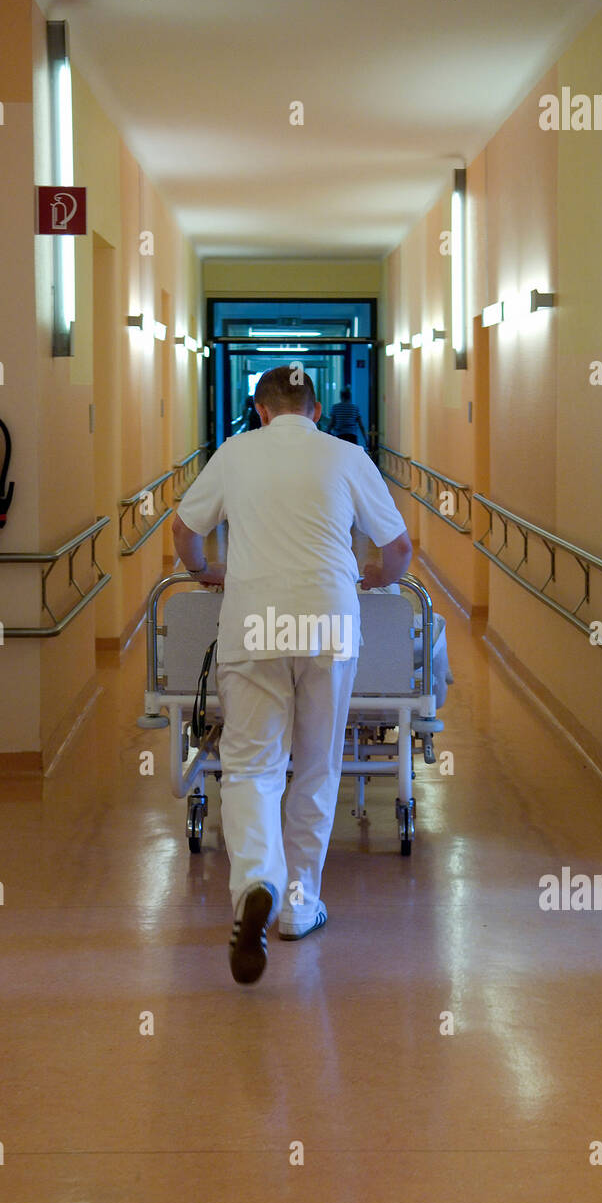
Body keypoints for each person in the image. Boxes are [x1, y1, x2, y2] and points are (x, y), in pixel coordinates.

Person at [173, 365, 411, 986]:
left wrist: (207, 570)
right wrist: (377, 577)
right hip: (329, 622)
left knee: (252, 763)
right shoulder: (346, 454)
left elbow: (185, 530)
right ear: (313, 411)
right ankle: (300, 907)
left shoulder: (235, 452)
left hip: (254, 622)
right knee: (316, 763)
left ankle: (257, 880)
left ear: (261, 411)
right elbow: (398, 549)